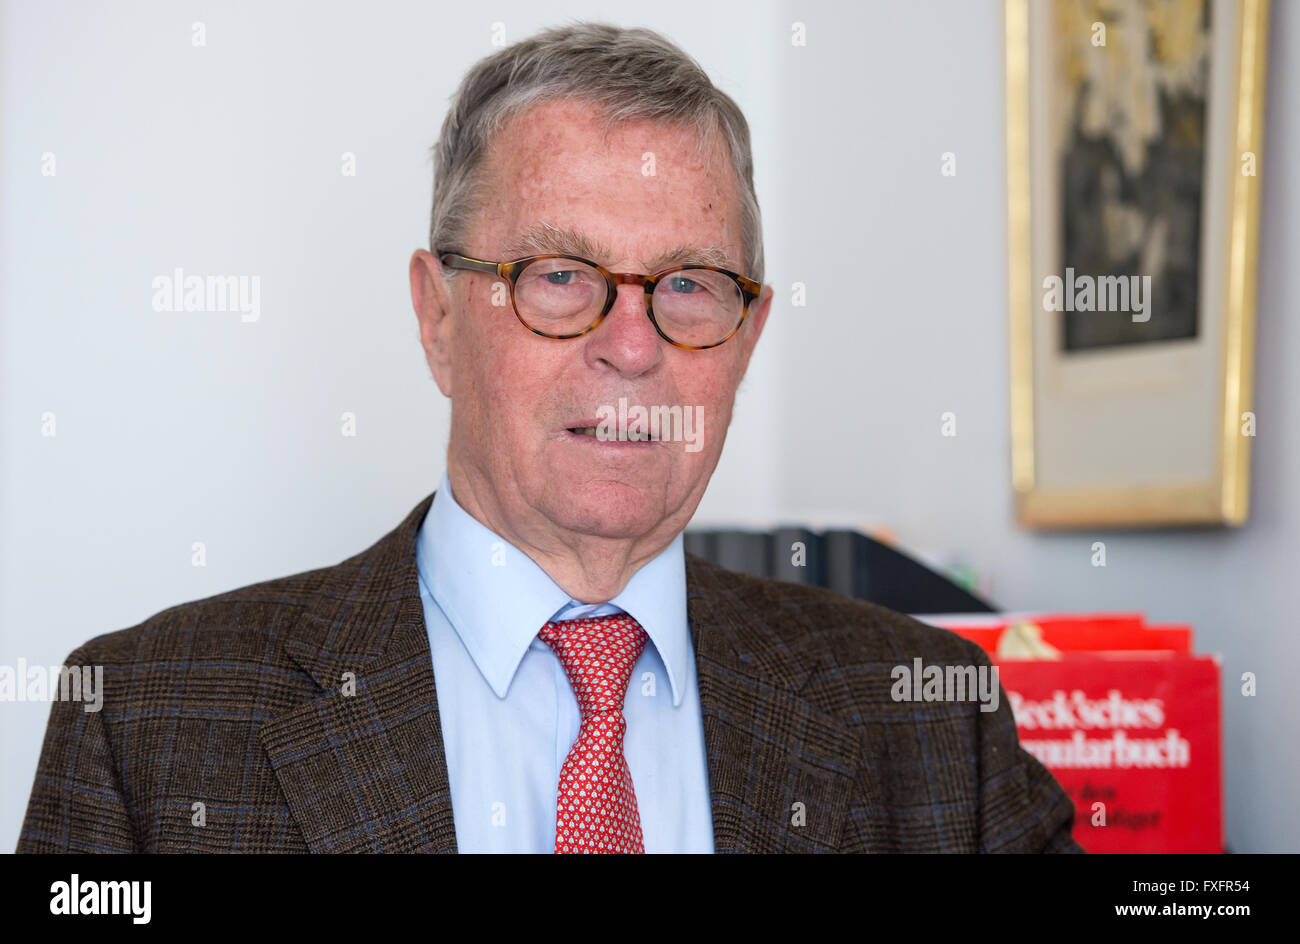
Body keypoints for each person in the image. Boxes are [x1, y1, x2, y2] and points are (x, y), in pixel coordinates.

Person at [18, 22, 1080, 854]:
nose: (631, 346)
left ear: (747, 335)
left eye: (690, 284)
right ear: (438, 316)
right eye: (560, 276)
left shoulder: (932, 716)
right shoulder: (148, 723)